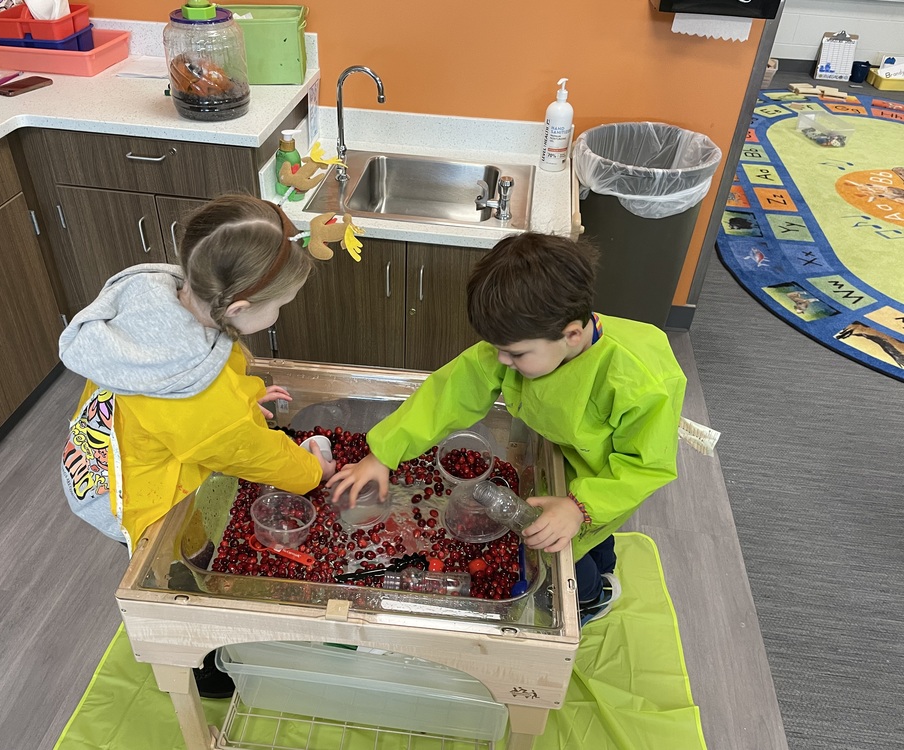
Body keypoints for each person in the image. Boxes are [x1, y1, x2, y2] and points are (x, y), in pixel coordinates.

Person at [330, 232, 686, 627]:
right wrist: (383, 452)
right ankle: (602, 562)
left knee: (571, 550)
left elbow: (645, 466)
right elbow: (448, 395)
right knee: (586, 542)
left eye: (515, 354)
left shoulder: (639, 381)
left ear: (570, 334)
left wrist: (579, 507)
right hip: (568, 454)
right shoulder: (528, 341)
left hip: (609, 479)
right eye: (497, 348)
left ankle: (591, 597)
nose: (500, 360)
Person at [58, 193, 335, 697]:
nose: (279, 316)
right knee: (176, 572)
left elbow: (215, 362)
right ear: (241, 307)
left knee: (192, 544)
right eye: (279, 308)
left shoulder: (165, 295)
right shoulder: (202, 404)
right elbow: (256, 454)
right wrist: (313, 471)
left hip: (107, 450)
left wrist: (248, 393)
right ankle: (199, 663)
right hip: (131, 491)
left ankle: (195, 574)